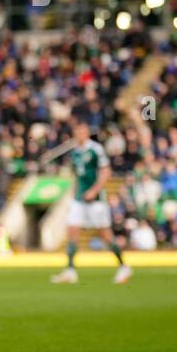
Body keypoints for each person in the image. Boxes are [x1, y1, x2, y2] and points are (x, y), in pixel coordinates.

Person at [51, 119, 131, 284]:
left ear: (86, 132)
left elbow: (106, 171)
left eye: (81, 131)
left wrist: (94, 190)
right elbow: (77, 176)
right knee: (72, 232)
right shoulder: (74, 152)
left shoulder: (95, 149)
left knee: (105, 235)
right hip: (79, 200)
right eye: (76, 131)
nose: (78, 134)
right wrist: (74, 194)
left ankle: (123, 266)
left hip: (96, 201)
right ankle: (70, 270)